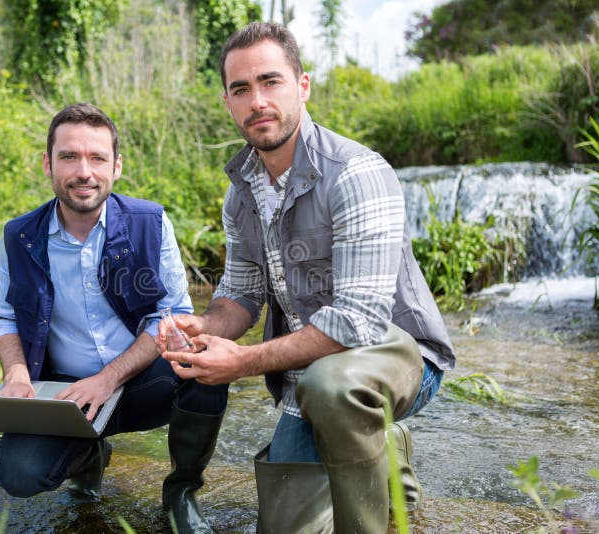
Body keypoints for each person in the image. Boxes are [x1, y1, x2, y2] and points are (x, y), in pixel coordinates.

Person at [158, 22, 455, 533]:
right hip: (309, 378)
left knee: (333, 387)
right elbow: (240, 296)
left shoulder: (356, 173)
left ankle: (371, 500)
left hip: (400, 359)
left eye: (271, 82)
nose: (257, 101)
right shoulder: (241, 195)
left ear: (302, 86)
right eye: (241, 89)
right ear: (228, 103)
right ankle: (384, 447)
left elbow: (359, 325)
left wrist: (243, 361)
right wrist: (203, 327)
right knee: (284, 527)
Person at [0, 103, 227, 533]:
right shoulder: (18, 236)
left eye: (97, 158)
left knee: (206, 364)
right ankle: (89, 455)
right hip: (66, 394)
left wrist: (109, 378)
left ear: (116, 166)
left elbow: (171, 314)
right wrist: (18, 376)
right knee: (19, 474)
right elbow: (4, 317)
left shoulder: (150, 223)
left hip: (141, 383)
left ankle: (181, 493)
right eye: (69, 157)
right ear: (48, 164)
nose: (84, 171)